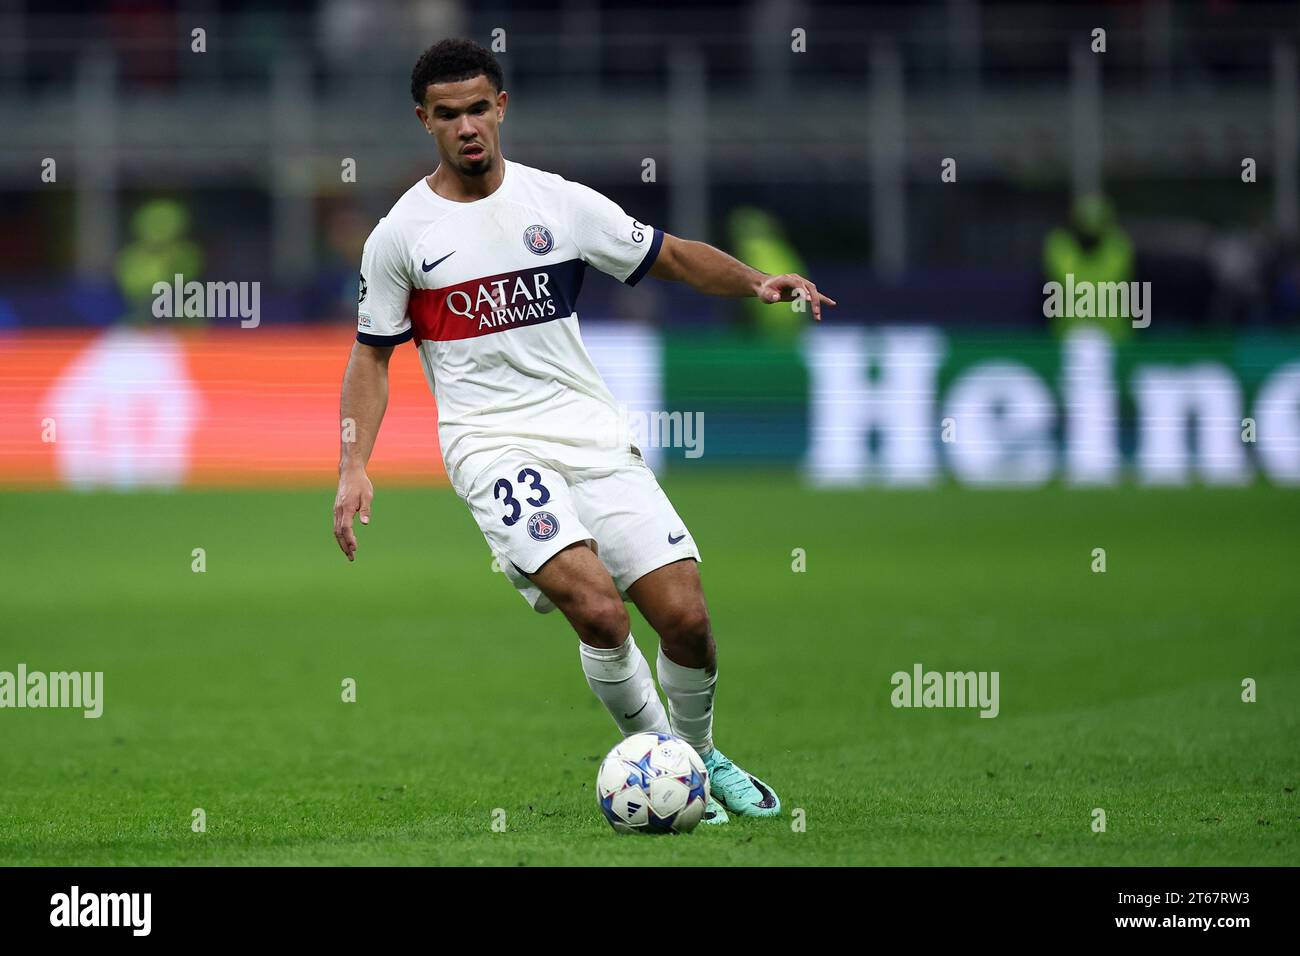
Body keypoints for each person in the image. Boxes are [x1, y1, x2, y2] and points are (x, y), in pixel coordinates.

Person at [332, 38, 835, 824]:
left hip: (590, 436)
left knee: (687, 619)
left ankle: (697, 759)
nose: (466, 127)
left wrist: (754, 282)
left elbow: (669, 257)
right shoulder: (400, 236)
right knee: (598, 610)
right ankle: (674, 774)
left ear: (501, 108)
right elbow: (371, 356)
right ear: (423, 121)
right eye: (447, 115)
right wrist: (353, 462)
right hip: (489, 446)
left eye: (478, 109)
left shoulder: (558, 204)